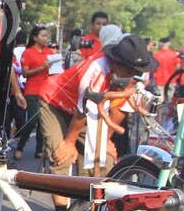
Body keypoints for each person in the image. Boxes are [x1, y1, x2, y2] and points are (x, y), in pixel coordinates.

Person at [42, 34, 151, 183]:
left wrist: (105, 140)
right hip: (56, 102)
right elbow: (83, 110)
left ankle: (86, 204)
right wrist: (69, 142)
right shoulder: (97, 68)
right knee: (62, 157)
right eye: (130, 71)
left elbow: (120, 109)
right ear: (117, 64)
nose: (133, 76)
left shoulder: (140, 76)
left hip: (90, 114)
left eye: (136, 72)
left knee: (102, 159)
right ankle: (62, 207)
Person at [20, 25, 57, 160]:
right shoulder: (28, 52)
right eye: (43, 36)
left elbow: (56, 71)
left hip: (47, 92)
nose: (46, 38)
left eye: (47, 36)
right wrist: (41, 68)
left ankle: (39, 149)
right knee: (32, 120)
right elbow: (25, 73)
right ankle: (20, 145)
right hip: (32, 91)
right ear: (35, 38)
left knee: (44, 123)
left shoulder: (51, 53)